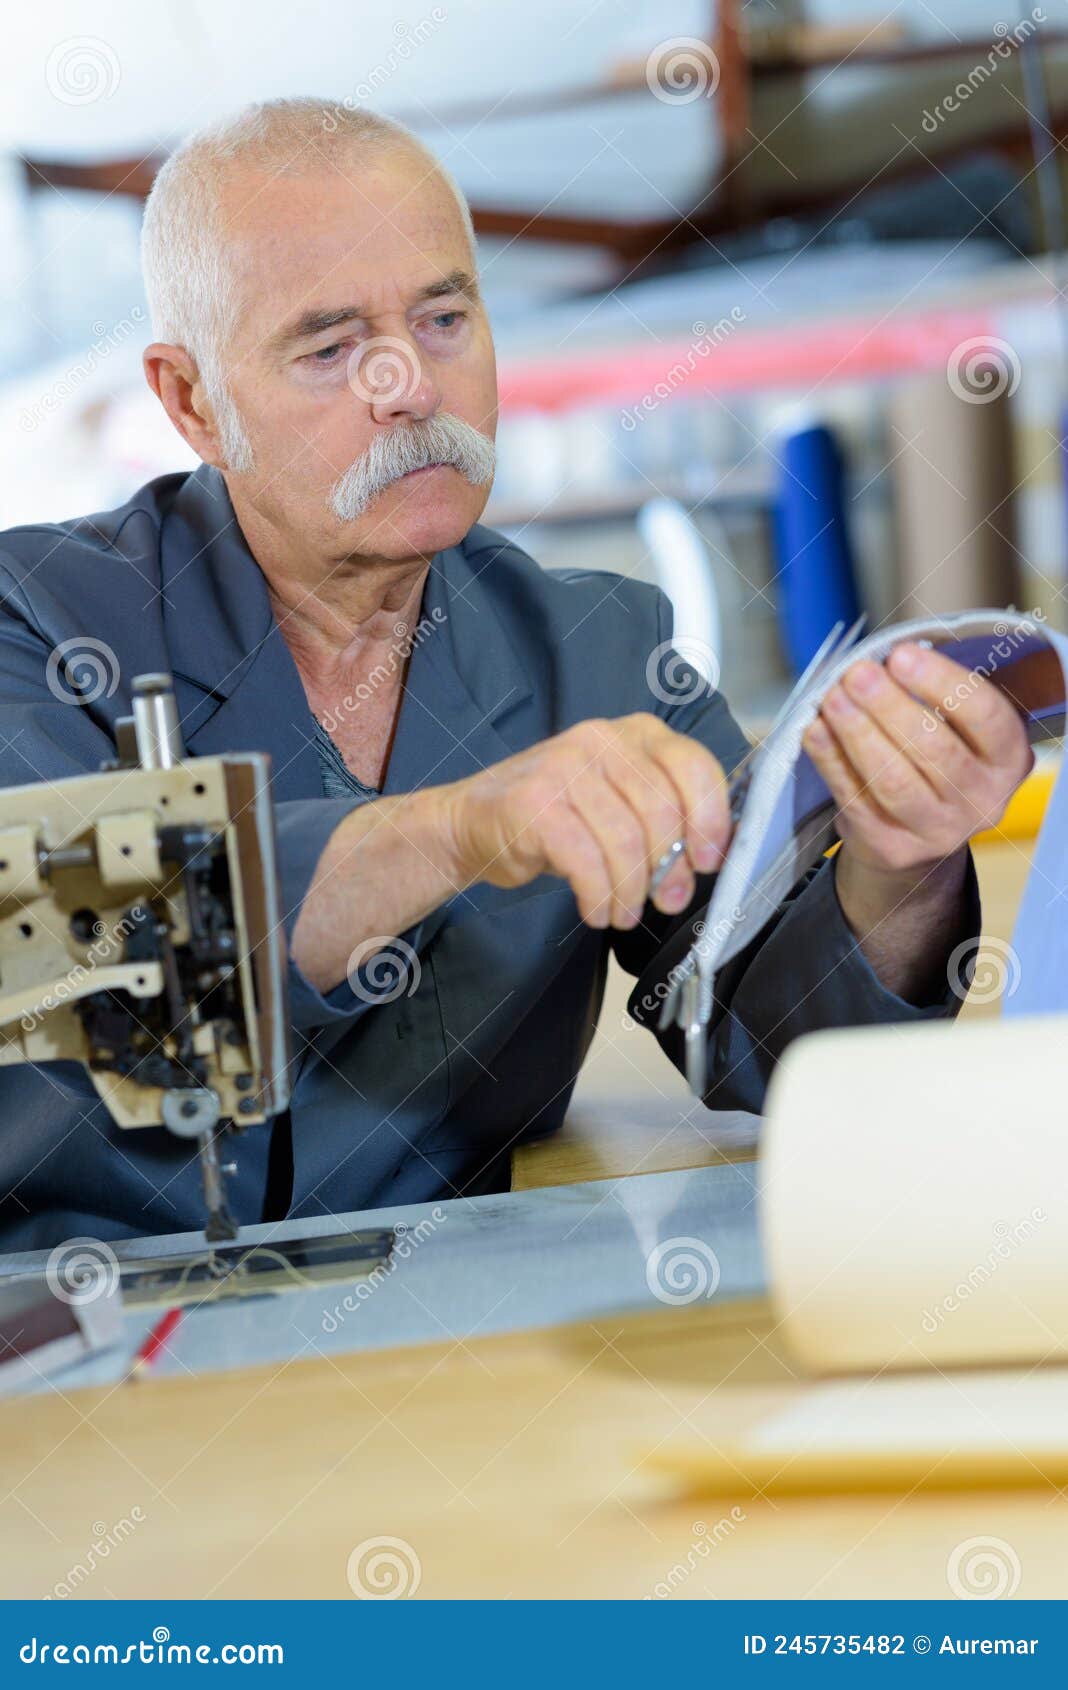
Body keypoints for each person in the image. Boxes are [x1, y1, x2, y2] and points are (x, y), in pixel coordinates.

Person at [0, 99, 1032, 1247]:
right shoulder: (36, 617)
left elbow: (771, 1035)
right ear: (191, 399)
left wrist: (903, 863)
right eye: (331, 349)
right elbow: (32, 933)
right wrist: (448, 833)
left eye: (443, 317)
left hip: (437, 1352)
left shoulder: (596, 654)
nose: (410, 386)